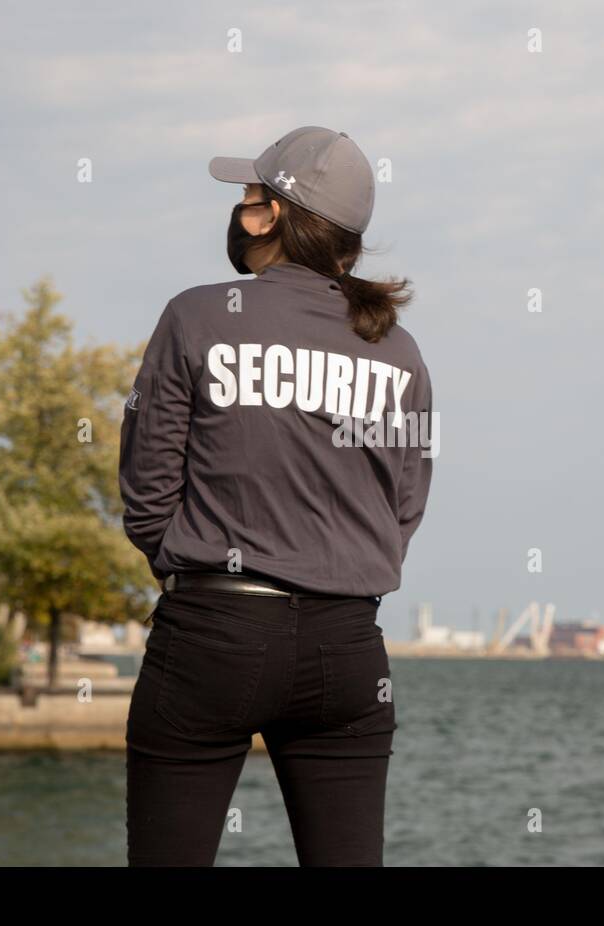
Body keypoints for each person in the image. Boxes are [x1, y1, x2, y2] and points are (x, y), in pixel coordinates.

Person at [120, 126, 434, 866]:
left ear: (266, 216)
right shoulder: (400, 351)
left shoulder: (196, 316)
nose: (238, 210)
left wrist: (193, 574)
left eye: (247, 196)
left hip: (212, 635)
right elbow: (405, 507)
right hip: (349, 651)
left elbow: (146, 489)